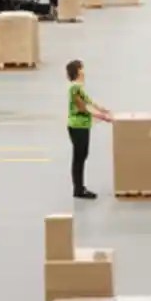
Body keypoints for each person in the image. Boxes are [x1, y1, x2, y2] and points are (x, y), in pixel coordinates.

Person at [67, 60, 113, 200]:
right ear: (78, 71)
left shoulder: (79, 87)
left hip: (83, 125)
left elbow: (88, 101)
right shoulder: (74, 88)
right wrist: (100, 116)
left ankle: (80, 186)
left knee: (83, 155)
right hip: (77, 126)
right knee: (79, 157)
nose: (84, 71)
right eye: (82, 68)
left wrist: (102, 109)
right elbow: (82, 107)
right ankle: (78, 189)